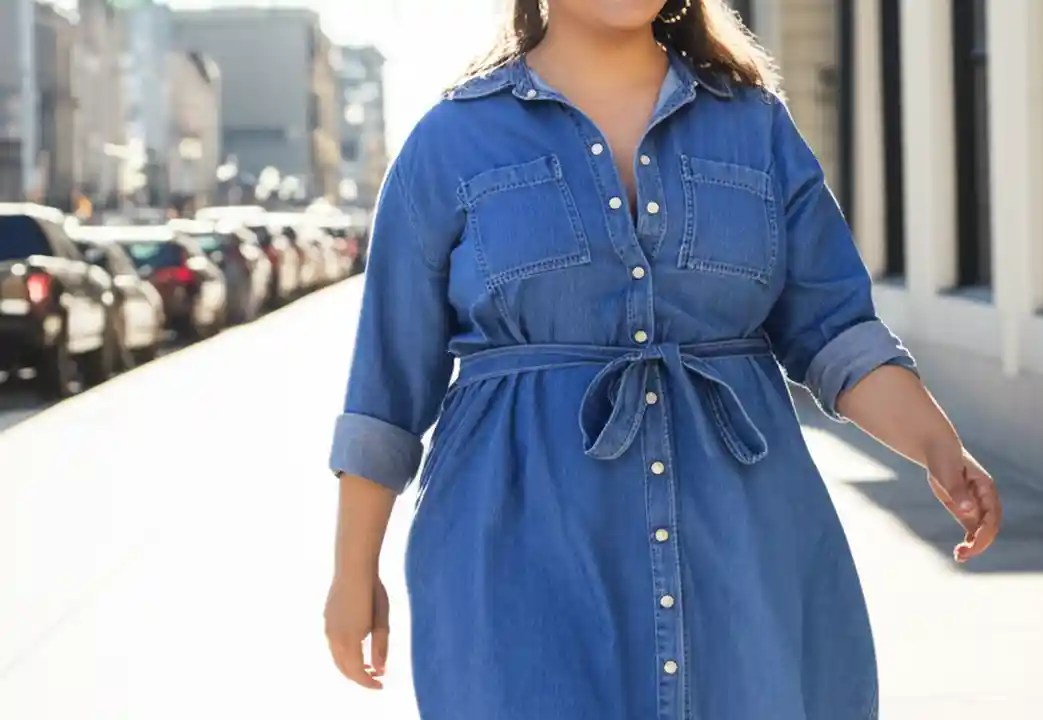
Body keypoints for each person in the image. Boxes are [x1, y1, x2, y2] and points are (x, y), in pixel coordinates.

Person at [323, 1, 1003, 717]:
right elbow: (386, 390)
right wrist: (351, 571)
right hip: (515, 555)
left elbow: (836, 333)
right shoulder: (449, 143)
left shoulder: (754, 127)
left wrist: (937, 446)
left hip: (745, 546)